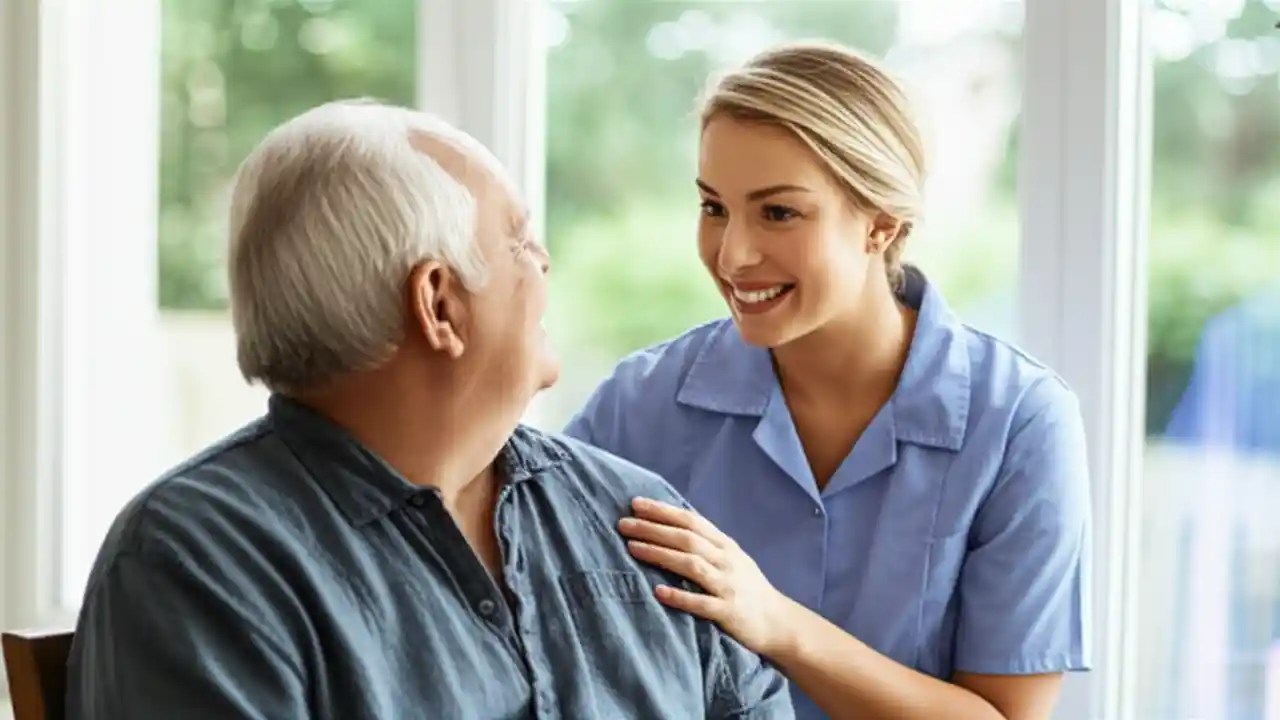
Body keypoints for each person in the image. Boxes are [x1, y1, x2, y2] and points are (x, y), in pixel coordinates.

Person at [66, 100, 793, 719]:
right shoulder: (197, 562)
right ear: (439, 303)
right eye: (516, 240)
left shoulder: (636, 518)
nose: (542, 263)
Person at [565, 42, 1091, 720]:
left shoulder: (1020, 422)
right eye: (714, 207)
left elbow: (1005, 716)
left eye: (778, 212)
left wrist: (775, 623)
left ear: (880, 223)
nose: (732, 255)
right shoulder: (638, 407)